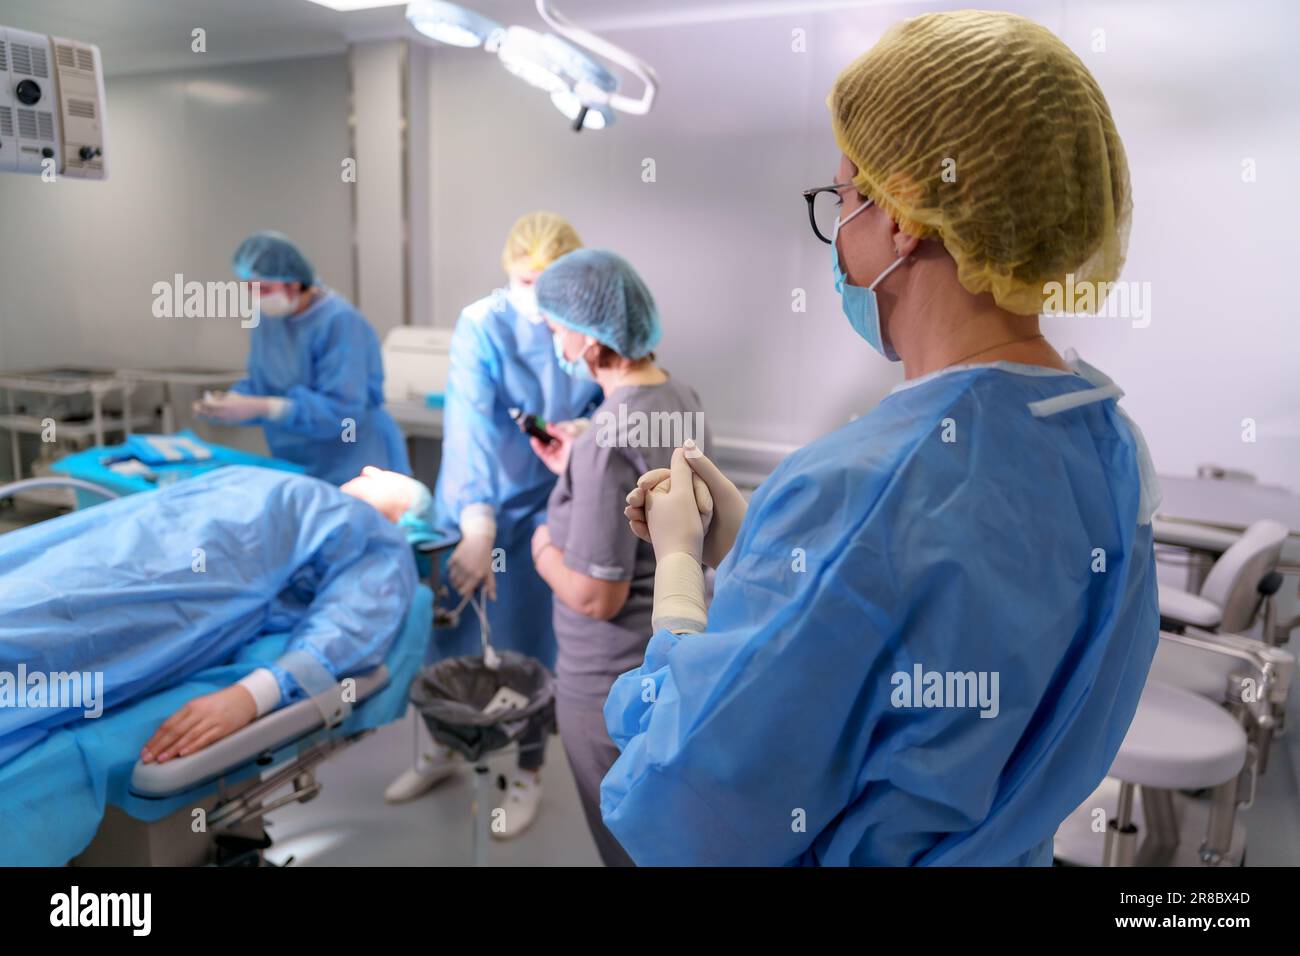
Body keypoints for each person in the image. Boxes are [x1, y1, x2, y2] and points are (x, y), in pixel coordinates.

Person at [608, 10, 1161, 866]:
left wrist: (680, 579)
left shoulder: (856, 487)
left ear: (903, 217)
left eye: (843, 198)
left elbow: (684, 813)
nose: (841, 234)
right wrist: (761, 545)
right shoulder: (1109, 451)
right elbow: (944, 628)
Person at [384, 212, 601, 839]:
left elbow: (606, 398)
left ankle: (526, 771)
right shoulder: (483, 323)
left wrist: (583, 431)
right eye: (523, 280)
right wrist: (477, 527)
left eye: (547, 282)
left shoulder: (581, 326)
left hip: (543, 505)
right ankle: (441, 748)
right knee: (450, 636)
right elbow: (473, 424)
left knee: (528, 643)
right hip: (473, 501)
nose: (533, 295)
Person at [0, 464, 428, 768]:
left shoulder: (378, 536)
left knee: (37, 626)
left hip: (173, 585)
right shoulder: (268, 478)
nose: (369, 470)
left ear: (404, 516)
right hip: (116, 537)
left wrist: (253, 695)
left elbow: (349, 624)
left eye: (388, 479)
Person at [525, 249, 711, 866]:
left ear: (589, 334)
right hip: (669, 663)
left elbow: (594, 595)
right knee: (663, 833)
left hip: (605, 680)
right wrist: (576, 467)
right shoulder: (681, 394)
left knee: (626, 844)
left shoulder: (606, 434)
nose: (554, 340)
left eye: (556, 328)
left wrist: (541, 546)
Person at [194, 231, 410, 486]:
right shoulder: (267, 319)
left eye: (264, 288)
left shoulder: (339, 322)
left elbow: (344, 412)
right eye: (250, 288)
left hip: (354, 459)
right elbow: (263, 383)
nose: (257, 297)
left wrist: (269, 407)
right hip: (297, 460)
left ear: (294, 283)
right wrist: (233, 402)